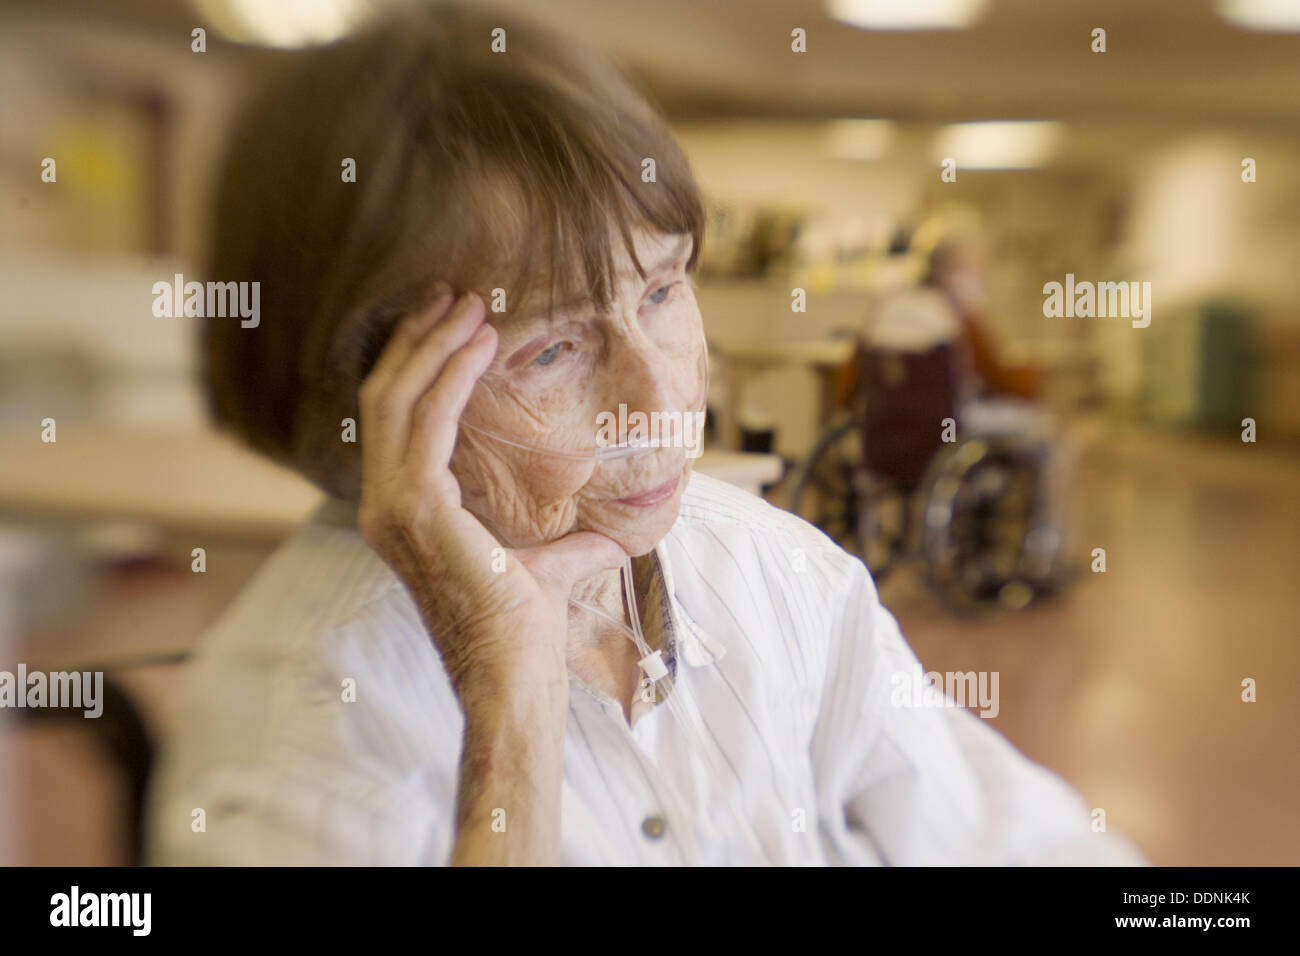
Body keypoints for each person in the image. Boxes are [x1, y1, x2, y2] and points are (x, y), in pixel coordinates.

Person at [145, 3, 1144, 866]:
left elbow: (1012, 835)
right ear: (360, 401)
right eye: (551, 348)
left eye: (664, 288)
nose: (663, 398)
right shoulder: (301, 722)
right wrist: (508, 702)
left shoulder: (771, 569)